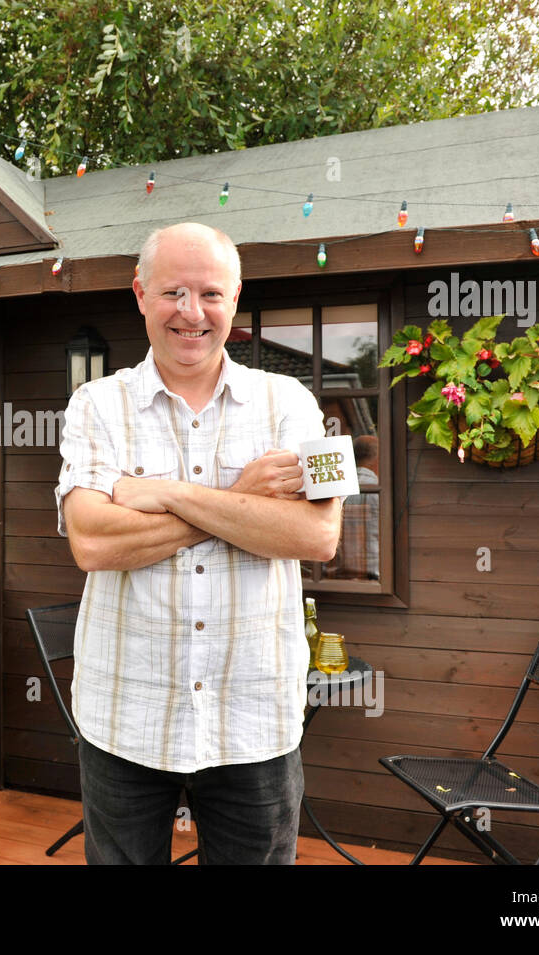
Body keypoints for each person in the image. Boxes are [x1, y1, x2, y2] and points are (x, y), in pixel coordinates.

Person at [55, 222, 342, 864]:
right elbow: (93, 544)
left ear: (235, 297)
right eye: (172, 293)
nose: (192, 312)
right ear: (140, 295)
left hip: (254, 715)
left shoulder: (293, 403)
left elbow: (318, 534)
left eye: (210, 293)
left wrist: (168, 493)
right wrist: (245, 498)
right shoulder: (93, 406)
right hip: (125, 712)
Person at [327, 434, 380, 579]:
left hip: (334, 574)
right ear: (378, 459)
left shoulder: (335, 488)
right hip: (374, 575)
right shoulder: (381, 492)